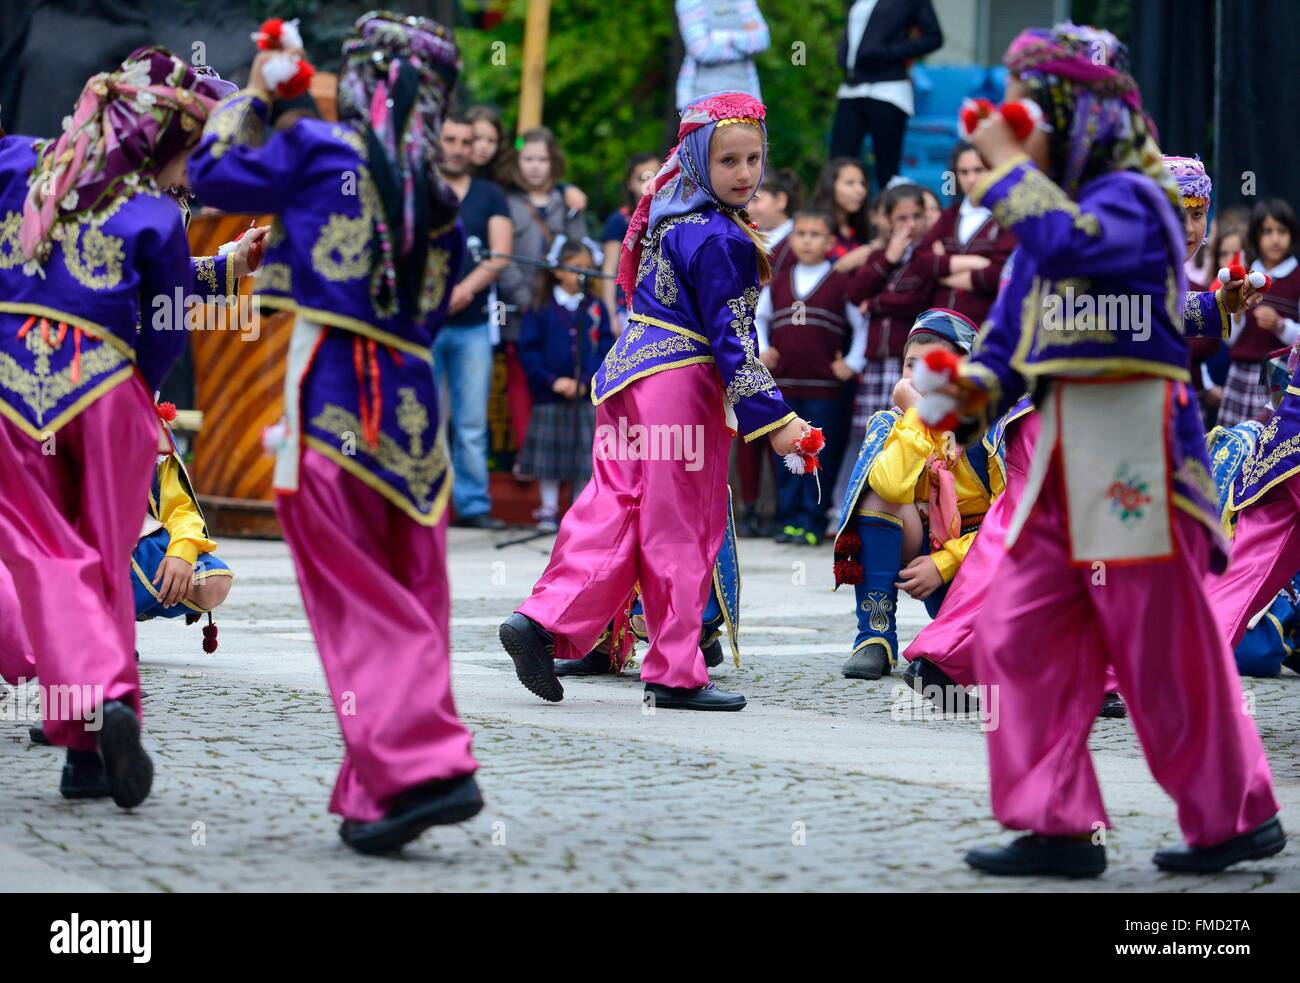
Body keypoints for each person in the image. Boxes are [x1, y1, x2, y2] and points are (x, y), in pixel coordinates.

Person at [946, 23, 1281, 878]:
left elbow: (1073, 245)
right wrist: (967, 385)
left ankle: (1235, 814)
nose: (1022, 124)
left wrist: (1009, 174)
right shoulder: (1058, 204)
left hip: (1129, 442)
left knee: (1157, 646)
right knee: (1016, 631)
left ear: (1082, 110)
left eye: (1036, 108)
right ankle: (1056, 822)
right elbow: (1017, 313)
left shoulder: (1138, 196)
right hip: (1061, 448)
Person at [188, 11, 482, 854]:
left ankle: (426, 764)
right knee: (410, 588)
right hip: (414, 412)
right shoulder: (442, 193)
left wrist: (257, 94)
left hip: (337, 399)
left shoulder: (321, 149)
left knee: (354, 595)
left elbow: (212, 175)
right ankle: (380, 785)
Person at [498, 91, 809, 712]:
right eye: (730, 162)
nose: (746, 174)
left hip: (626, 375)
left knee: (612, 508)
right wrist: (776, 419)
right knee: (681, 527)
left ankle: (541, 621)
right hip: (680, 385)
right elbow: (733, 338)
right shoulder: (721, 236)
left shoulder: (668, 216)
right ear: (698, 160)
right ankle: (674, 670)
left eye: (754, 161)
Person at [0, 47, 223, 807]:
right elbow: (165, 332)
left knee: (39, 552)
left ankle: (87, 723)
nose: (189, 176)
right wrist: (133, 402)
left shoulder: (16, 162)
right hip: (105, 388)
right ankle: (96, 732)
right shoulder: (155, 213)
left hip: (9, 385)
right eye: (189, 157)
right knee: (101, 560)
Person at [831, 309, 996, 680]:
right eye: (910, 364)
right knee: (875, 495)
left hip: (976, 566)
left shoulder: (991, 431)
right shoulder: (894, 423)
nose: (917, 375)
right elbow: (890, 487)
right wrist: (918, 418)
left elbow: (1012, 520)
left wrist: (944, 564)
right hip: (919, 546)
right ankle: (874, 637)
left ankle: (953, 645)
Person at [756, 208, 866, 545]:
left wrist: (853, 361)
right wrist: (763, 350)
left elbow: (862, 324)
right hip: (785, 386)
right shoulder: (778, 281)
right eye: (801, 234)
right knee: (788, 451)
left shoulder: (839, 282)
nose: (807, 241)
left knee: (818, 453)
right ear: (791, 239)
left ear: (830, 242)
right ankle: (788, 519)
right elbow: (759, 319)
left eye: (815, 234)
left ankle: (812, 521)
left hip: (824, 389)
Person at [435, 112, 512, 529]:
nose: (459, 149)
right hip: (422, 323)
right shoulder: (420, 189)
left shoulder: (489, 195)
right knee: (419, 417)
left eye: (466, 142)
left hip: (473, 322)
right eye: (451, 139)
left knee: (470, 422)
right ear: (437, 140)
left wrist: (463, 291)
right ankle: (422, 505)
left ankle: (473, 505)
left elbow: (500, 254)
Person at [497, 126, 589, 457]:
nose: (535, 166)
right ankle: (527, 455)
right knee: (522, 381)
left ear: (554, 162)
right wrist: (526, 301)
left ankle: (563, 460)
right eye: (528, 159)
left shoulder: (567, 202)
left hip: (561, 312)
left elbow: (581, 252)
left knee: (560, 381)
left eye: (542, 159)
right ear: (517, 162)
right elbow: (503, 258)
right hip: (519, 311)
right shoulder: (506, 203)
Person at [516, 238, 615, 531]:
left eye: (587, 269)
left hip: (584, 396)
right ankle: (548, 509)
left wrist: (586, 381)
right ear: (557, 271)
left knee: (582, 452)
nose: (582, 275)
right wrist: (551, 380)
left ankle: (579, 510)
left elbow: (606, 347)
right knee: (549, 456)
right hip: (550, 395)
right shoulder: (541, 308)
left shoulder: (595, 308)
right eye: (575, 268)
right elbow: (528, 351)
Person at [829, 0, 943, 190]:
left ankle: (887, 217)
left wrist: (889, 53)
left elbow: (934, 37)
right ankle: (843, 218)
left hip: (888, 89)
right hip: (852, 87)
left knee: (886, 168)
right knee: (839, 163)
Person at [912, 140, 1016, 325]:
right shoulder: (949, 216)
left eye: (979, 170)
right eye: (964, 172)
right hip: (938, 328)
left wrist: (941, 274)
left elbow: (998, 274)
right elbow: (919, 263)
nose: (971, 179)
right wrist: (973, 262)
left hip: (982, 328)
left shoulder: (1006, 218)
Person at [1217, 199, 1300, 427]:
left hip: (1278, 378)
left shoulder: (1297, 278)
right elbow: (1229, 339)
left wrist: (1279, 325)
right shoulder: (1245, 275)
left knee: (1265, 447)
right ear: (1256, 236)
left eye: (1281, 231)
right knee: (1235, 444)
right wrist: (1237, 314)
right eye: (1267, 231)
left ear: (1292, 234)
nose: (1275, 239)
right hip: (1240, 376)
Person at [600, 152, 661, 332]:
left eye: (657, 175)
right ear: (630, 184)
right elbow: (609, 270)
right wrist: (611, 315)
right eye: (643, 178)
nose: (651, 183)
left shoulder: (675, 217)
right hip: (627, 309)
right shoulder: (619, 221)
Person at [674, 0, 769, 109]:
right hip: (702, 100)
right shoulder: (689, 2)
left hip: (746, 98)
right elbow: (702, 50)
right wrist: (744, 42)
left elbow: (762, 40)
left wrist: (720, 37)